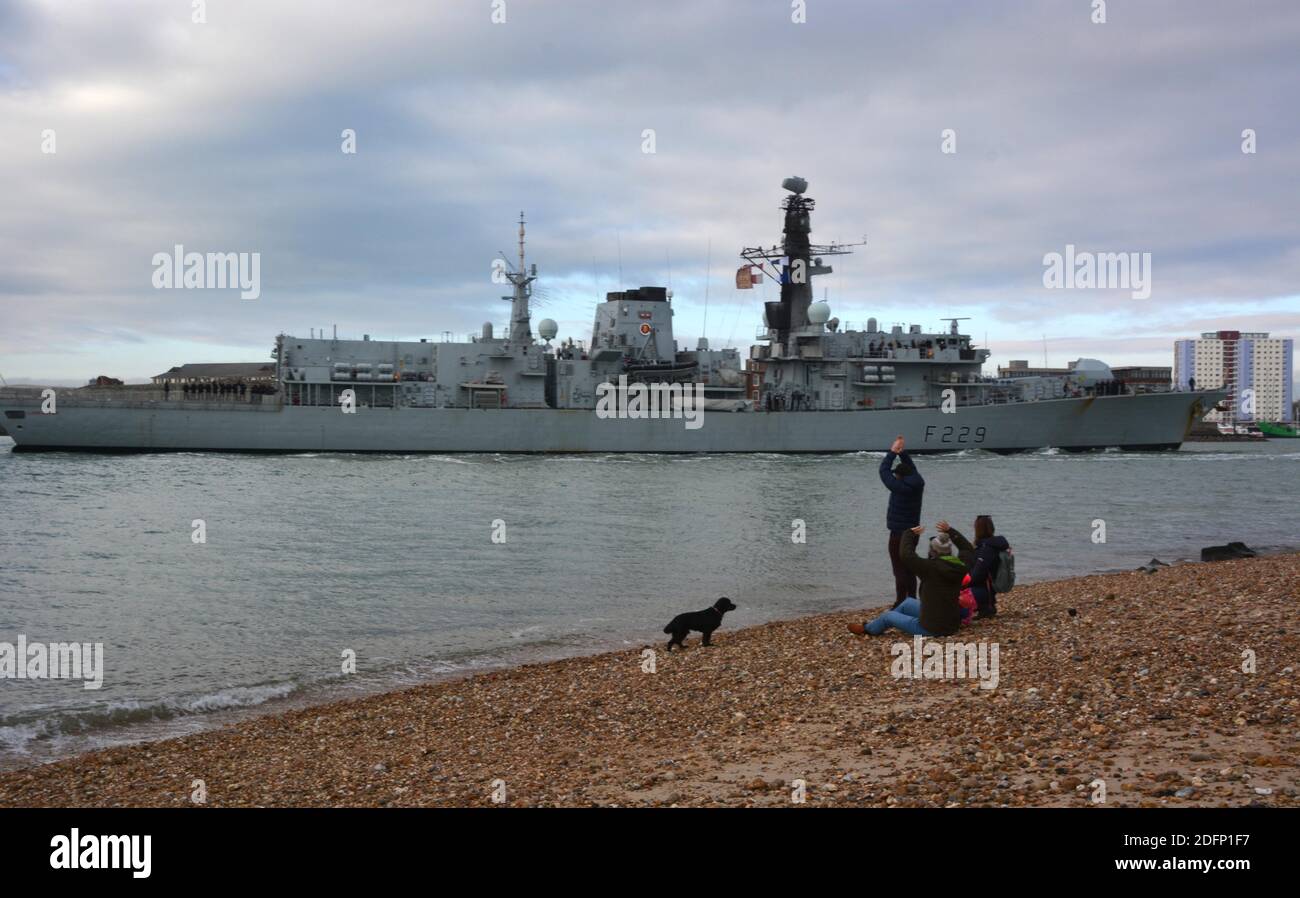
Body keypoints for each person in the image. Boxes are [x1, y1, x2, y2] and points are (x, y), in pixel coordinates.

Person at [849, 524, 968, 637]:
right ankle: (886, 622)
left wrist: (909, 534)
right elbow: (967, 550)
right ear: (949, 551)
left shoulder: (929, 568)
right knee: (907, 603)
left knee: (888, 616)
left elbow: (906, 555)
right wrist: (951, 532)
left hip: (931, 628)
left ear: (933, 551)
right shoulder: (960, 566)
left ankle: (868, 629)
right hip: (952, 623)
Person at [879, 435, 924, 608]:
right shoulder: (917, 482)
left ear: (899, 477)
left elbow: (883, 472)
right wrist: (902, 453)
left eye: (896, 475)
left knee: (899, 569)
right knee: (910, 567)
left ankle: (900, 602)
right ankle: (912, 598)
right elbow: (911, 468)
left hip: (899, 534)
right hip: (914, 532)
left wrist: (892, 453)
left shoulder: (900, 487)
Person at [958, 515, 1010, 618]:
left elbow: (977, 575)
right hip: (990, 589)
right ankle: (985, 606)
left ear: (978, 529)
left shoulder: (986, 549)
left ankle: (984, 607)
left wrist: (961, 585)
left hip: (983, 590)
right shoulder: (993, 545)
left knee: (953, 596)